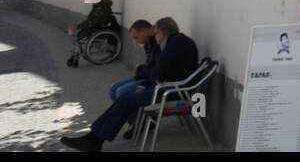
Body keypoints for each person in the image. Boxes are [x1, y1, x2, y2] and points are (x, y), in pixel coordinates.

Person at [60, 16, 199, 153]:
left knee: (125, 100)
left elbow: (157, 72)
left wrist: (147, 79)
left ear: (162, 32)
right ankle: (93, 138)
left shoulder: (176, 44)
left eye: (156, 33)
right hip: (168, 88)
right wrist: (144, 85)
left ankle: (94, 140)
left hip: (174, 93)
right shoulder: (176, 42)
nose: (155, 37)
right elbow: (158, 72)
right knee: (125, 99)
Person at [107, 21, 158, 138]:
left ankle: (141, 123)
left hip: (152, 80)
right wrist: (139, 71)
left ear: (145, 31)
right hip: (146, 76)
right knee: (113, 89)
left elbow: (156, 70)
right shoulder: (148, 44)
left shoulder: (158, 44)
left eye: (136, 37)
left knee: (121, 92)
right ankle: (136, 122)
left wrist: (139, 71)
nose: (136, 41)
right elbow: (150, 65)